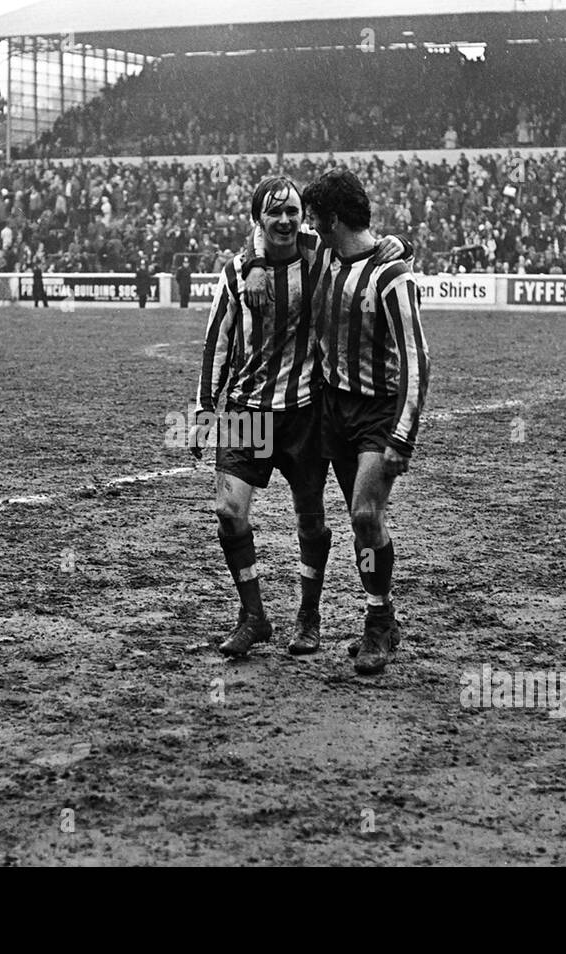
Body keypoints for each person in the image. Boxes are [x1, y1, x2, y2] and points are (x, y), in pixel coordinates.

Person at [193, 176, 409, 660]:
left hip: (306, 411)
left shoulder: (318, 255)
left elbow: (371, 244)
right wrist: (206, 407)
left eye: (294, 211)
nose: (287, 220)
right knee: (229, 512)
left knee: (312, 524)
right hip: (249, 410)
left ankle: (308, 617)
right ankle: (254, 616)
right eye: (276, 214)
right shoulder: (236, 272)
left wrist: (402, 243)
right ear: (258, 221)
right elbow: (216, 341)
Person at [300, 168, 429, 675]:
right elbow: (273, 234)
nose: (308, 225)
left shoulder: (393, 276)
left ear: (333, 218)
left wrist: (404, 436)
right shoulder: (326, 253)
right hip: (331, 407)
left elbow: (418, 359)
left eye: (314, 217)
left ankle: (378, 623)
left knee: (363, 516)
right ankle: (383, 617)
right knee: (359, 521)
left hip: (377, 413)